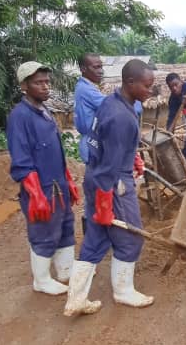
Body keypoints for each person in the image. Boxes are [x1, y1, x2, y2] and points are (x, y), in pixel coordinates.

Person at [65, 59, 155, 316]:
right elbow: (110, 165)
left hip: (95, 177)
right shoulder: (121, 117)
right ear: (130, 82)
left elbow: (108, 144)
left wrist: (131, 156)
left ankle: (76, 299)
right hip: (113, 183)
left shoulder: (112, 102)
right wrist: (105, 203)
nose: (150, 90)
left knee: (96, 238)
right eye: (146, 85)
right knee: (131, 240)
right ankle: (123, 292)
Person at [6, 62, 81, 295]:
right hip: (41, 188)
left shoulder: (45, 111)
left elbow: (56, 152)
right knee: (44, 233)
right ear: (24, 86)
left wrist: (68, 180)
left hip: (58, 185)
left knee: (65, 227)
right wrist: (36, 195)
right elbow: (22, 161)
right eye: (39, 83)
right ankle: (41, 280)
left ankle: (66, 271)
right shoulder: (20, 117)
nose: (46, 86)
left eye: (47, 82)